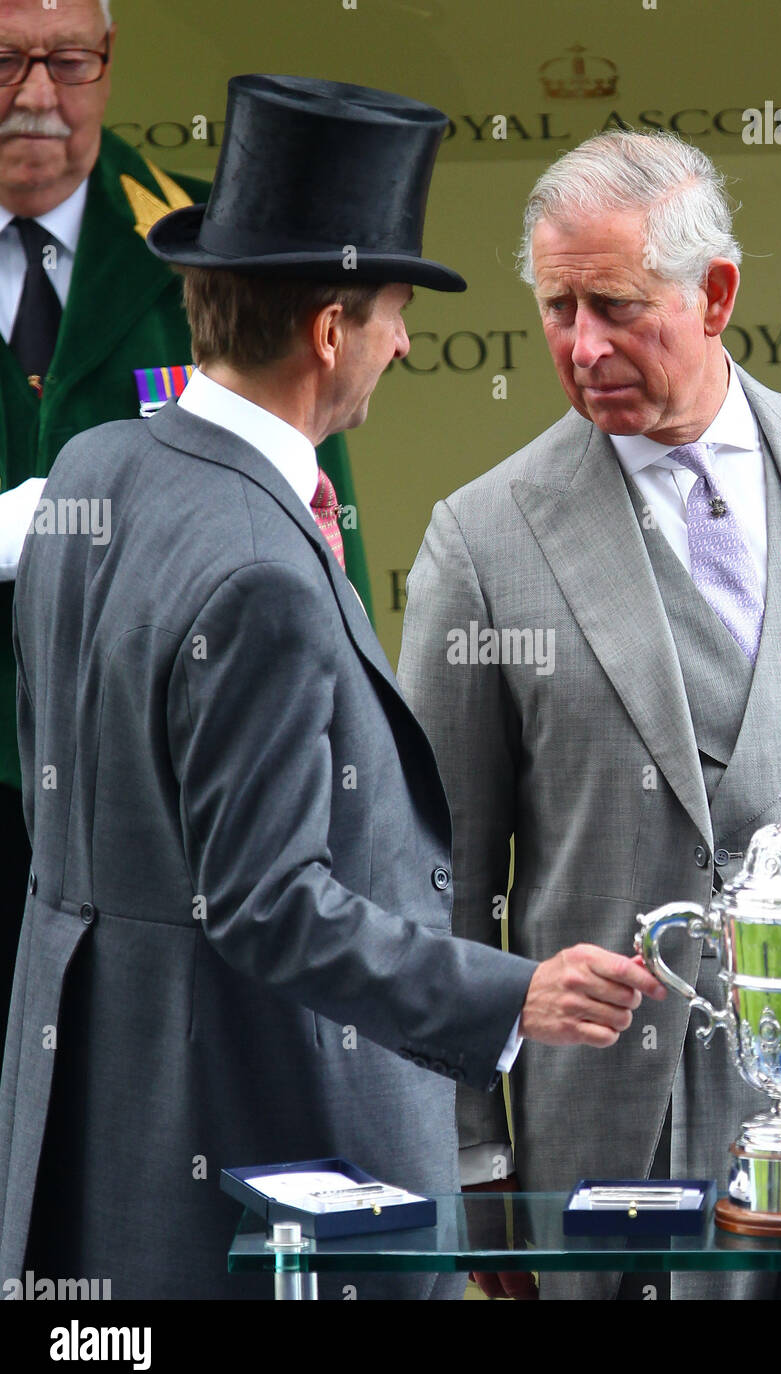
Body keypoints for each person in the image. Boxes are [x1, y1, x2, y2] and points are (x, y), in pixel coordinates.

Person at [0, 78, 663, 1301]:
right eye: (395, 311)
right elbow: (267, 905)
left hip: (90, 1152)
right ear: (326, 331)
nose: (403, 341)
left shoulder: (90, 469)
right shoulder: (261, 569)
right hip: (253, 1180)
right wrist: (516, 991)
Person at [398, 129, 781, 1300]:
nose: (581, 347)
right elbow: (442, 879)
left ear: (714, 293)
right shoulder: (481, 542)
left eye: (615, 307)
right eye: (557, 308)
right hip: (625, 1153)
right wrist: (474, 1161)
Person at [0, 1, 370, 1037]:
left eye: (68, 59)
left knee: (136, 1119)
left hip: (163, 784)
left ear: (109, 63)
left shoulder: (217, 248)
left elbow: (314, 516)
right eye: (5, 62)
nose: (37, 96)